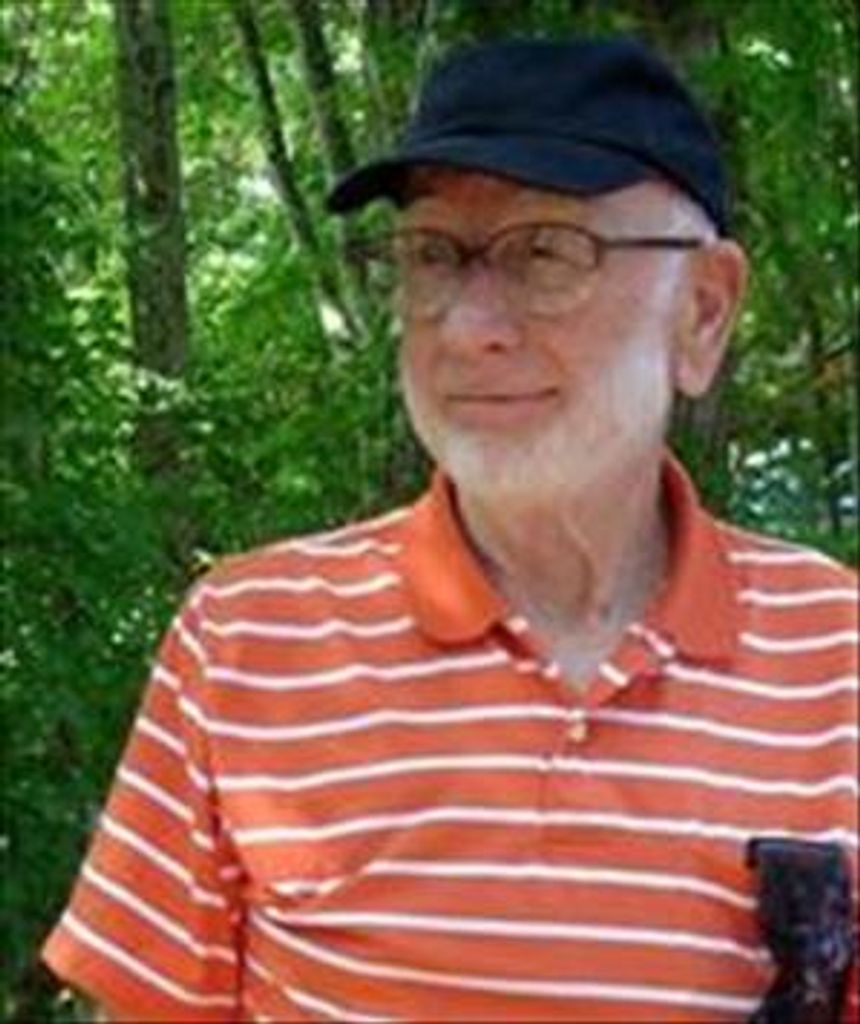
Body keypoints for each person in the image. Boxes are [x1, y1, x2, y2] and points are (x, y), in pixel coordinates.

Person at [43, 36, 858, 1023]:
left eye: (545, 254)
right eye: (431, 255)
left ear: (703, 312)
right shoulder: (248, 641)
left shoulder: (838, 659)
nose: (467, 328)